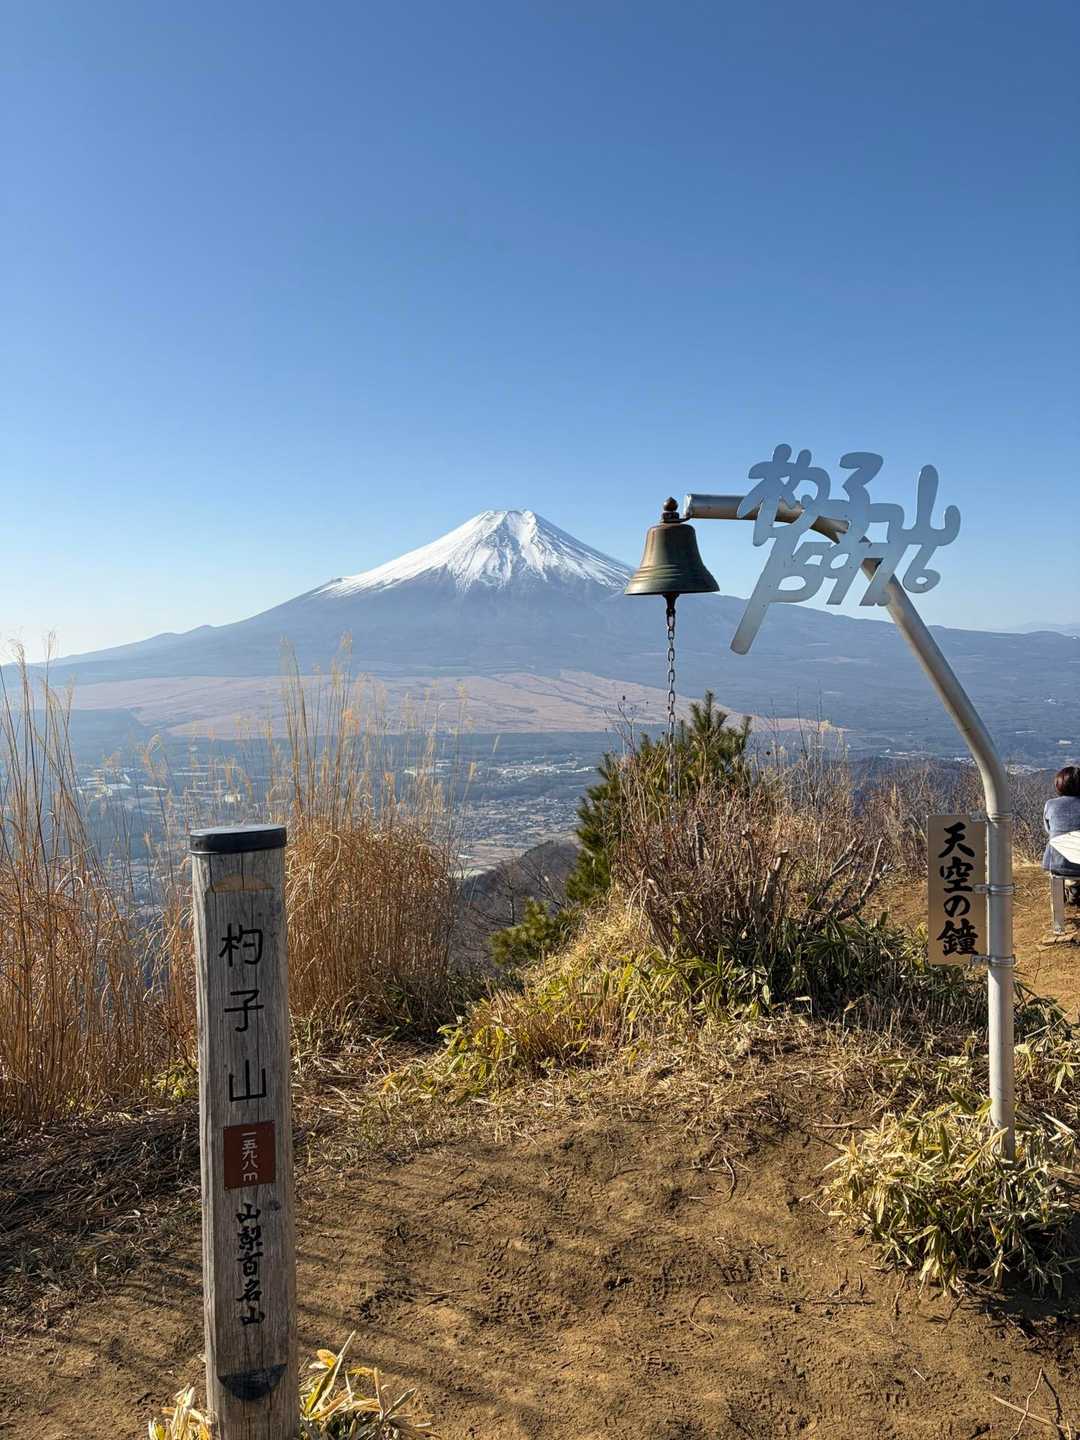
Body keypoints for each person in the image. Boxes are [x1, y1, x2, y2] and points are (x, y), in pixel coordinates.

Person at [1043, 764, 1080, 906]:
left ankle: (1067, 893)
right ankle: (1075, 889)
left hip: (1058, 863)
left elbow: (1049, 830)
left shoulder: (1051, 805)